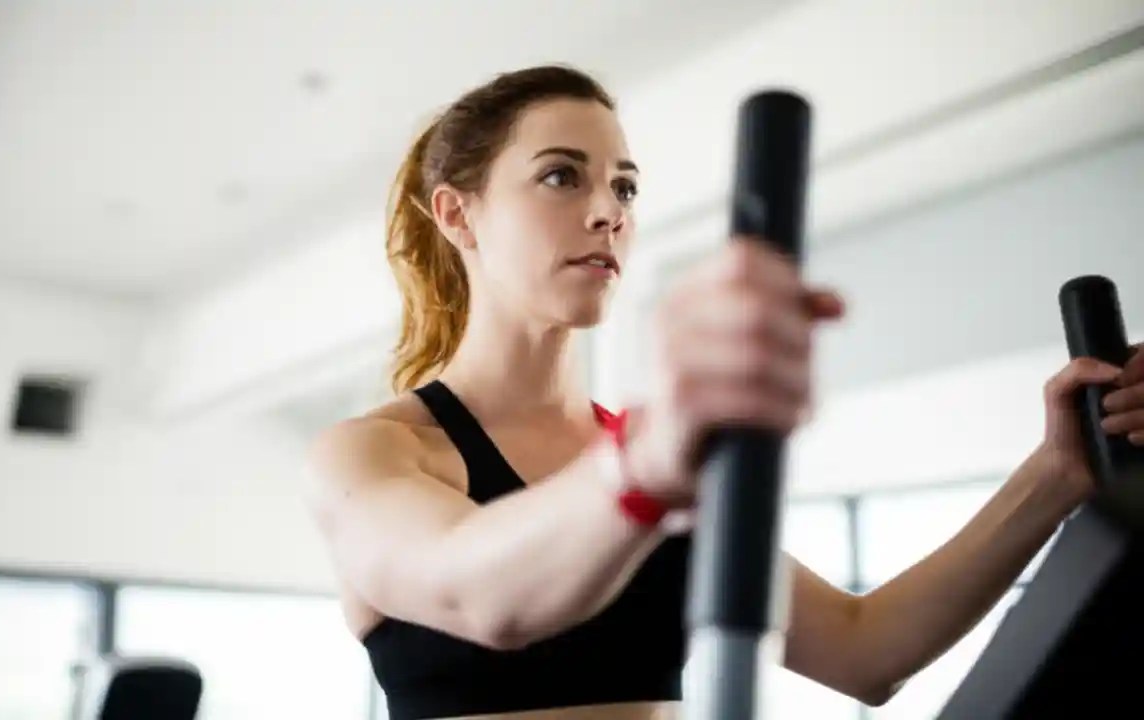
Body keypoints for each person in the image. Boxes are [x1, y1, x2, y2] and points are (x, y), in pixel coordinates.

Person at [304, 65, 1144, 720]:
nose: (608, 212)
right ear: (457, 215)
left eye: (625, 186)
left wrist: (1056, 474)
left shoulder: (661, 462)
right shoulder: (374, 453)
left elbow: (867, 651)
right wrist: (643, 466)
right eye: (562, 177)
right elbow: (481, 594)